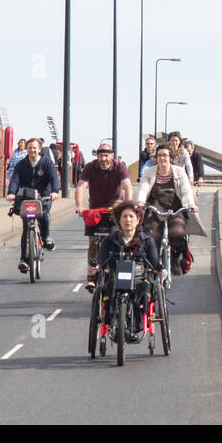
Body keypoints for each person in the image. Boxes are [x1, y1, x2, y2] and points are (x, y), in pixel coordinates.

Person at [88, 200, 160, 343]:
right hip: (116, 277)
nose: (128, 220)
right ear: (119, 220)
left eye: (131, 216)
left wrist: (159, 269)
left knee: (144, 289)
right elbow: (100, 258)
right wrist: (96, 266)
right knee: (109, 288)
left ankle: (135, 326)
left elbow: (154, 262)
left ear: (138, 219)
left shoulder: (147, 241)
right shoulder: (110, 240)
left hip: (140, 278)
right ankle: (112, 322)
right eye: (124, 217)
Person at [136, 144, 203, 274]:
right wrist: (140, 201)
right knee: (150, 235)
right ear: (156, 158)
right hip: (155, 207)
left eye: (165, 155)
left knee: (177, 232)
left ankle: (175, 258)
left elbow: (185, 191)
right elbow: (143, 189)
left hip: (175, 208)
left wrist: (190, 204)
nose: (162, 158)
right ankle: (152, 265)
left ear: (170, 158)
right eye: (159, 155)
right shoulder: (149, 172)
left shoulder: (179, 172)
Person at [76, 141, 135, 283]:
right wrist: (79, 206)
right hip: (95, 206)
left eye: (106, 156)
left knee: (116, 235)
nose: (103, 159)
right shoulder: (90, 167)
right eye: (100, 156)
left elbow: (127, 186)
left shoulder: (119, 167)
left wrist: (127, 206)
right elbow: (80, 187)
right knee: (93, 241)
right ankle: (92, 275)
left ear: (112, 156)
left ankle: (118, 266)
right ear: (97, 157)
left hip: (115, 204)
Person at [7, 137, 61, 269]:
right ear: (26, 149)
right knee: (26, 227)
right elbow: (15, 179)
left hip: (43, 195)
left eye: (35, 148)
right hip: (27, 196)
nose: (32, 150)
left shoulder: (47, 163)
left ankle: (46, 236)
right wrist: (11, 193)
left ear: (39, 149)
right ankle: (24, 260)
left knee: (43, 215)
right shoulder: (21, 164)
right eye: (30, 148)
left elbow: (54, 178)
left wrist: (54, 191)